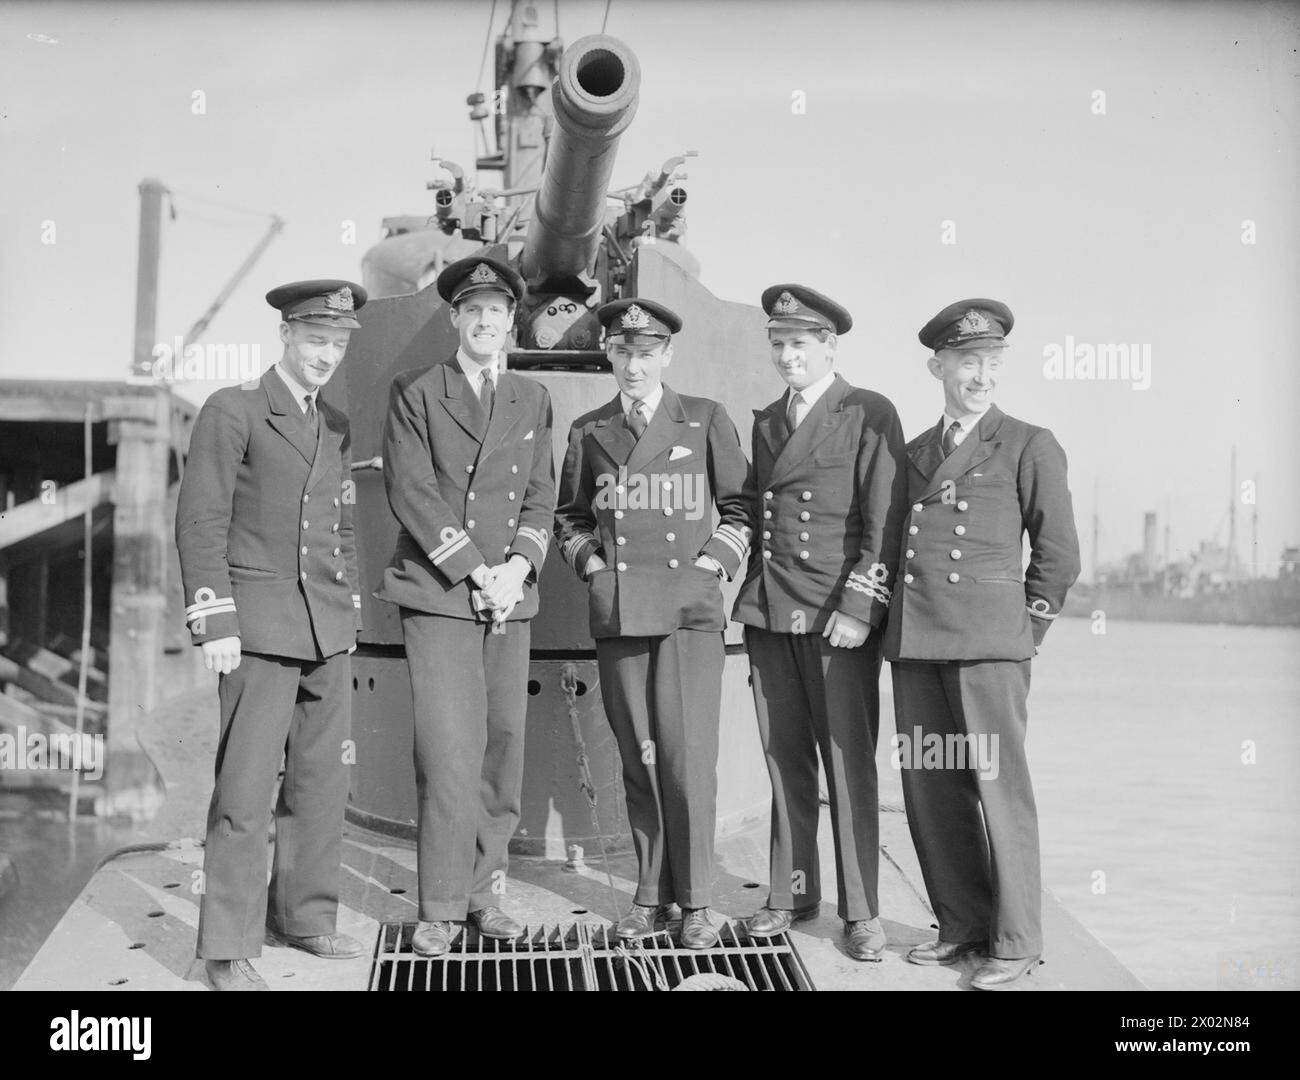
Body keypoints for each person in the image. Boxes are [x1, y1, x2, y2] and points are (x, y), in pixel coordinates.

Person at [176, 279, 368, 991]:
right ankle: (225, 945)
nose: (326, 355)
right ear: (286, 336)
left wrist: (346, 616)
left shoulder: (337, 425)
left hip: (325, 629)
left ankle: (306, 917)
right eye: (316, 340)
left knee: (320, 784)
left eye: (338, 344)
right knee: (245, 790)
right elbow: (200, 521)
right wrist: (213, 621)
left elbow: (340, 528)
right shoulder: (234, 411)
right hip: (255, 631)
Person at [885, 298, 1081, 989]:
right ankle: (962, 925)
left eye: (991, 362)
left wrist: (1023, 635)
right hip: (918, 647)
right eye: (968, 361)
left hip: (990, 651)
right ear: (938, 365)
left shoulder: (1029, 443)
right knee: (930, 790)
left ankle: (1018, 939)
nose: (981, 374)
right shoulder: (913, 453)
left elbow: (1057, 557)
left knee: (1000, 791)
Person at [553, 298, 752, 949]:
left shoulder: (704, 420)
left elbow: (741, 509)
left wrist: (709, 568)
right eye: (622, 351)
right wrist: (594, 571)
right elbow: (569, 518)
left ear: (667, 354)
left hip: (689, 617)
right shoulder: (589, 431)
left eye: (646, 352)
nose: (634, 365)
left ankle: (695, 902)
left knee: (688, 760)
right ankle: (651, 895)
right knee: (639, 758)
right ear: (608, 353)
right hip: (623, 613)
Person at [375, 255, 555, 957]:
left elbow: (540, 492)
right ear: (455, 318)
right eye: (473, 310)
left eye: (497, 312)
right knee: (450, 752)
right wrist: (478, 571)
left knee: (501, 750)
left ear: (513, 321)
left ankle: (489, 895)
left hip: (510, 596)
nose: (485, 322)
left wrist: (517, 567)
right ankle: (443, 906)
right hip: (443, 592)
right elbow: (412, 489)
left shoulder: (532, 399)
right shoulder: (417, 392)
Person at [733, 284, 907, 961]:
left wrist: (861, 608)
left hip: (837, 618)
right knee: (784, 761)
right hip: (773, 612)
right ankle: (793, 892)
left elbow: (885, 520)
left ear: (829, 346)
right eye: (777, 345)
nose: (786, 357)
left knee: (847, 765)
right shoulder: (770, 419)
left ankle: (861, 911)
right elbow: (756, 506)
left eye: (799, 344)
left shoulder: (867, 412)